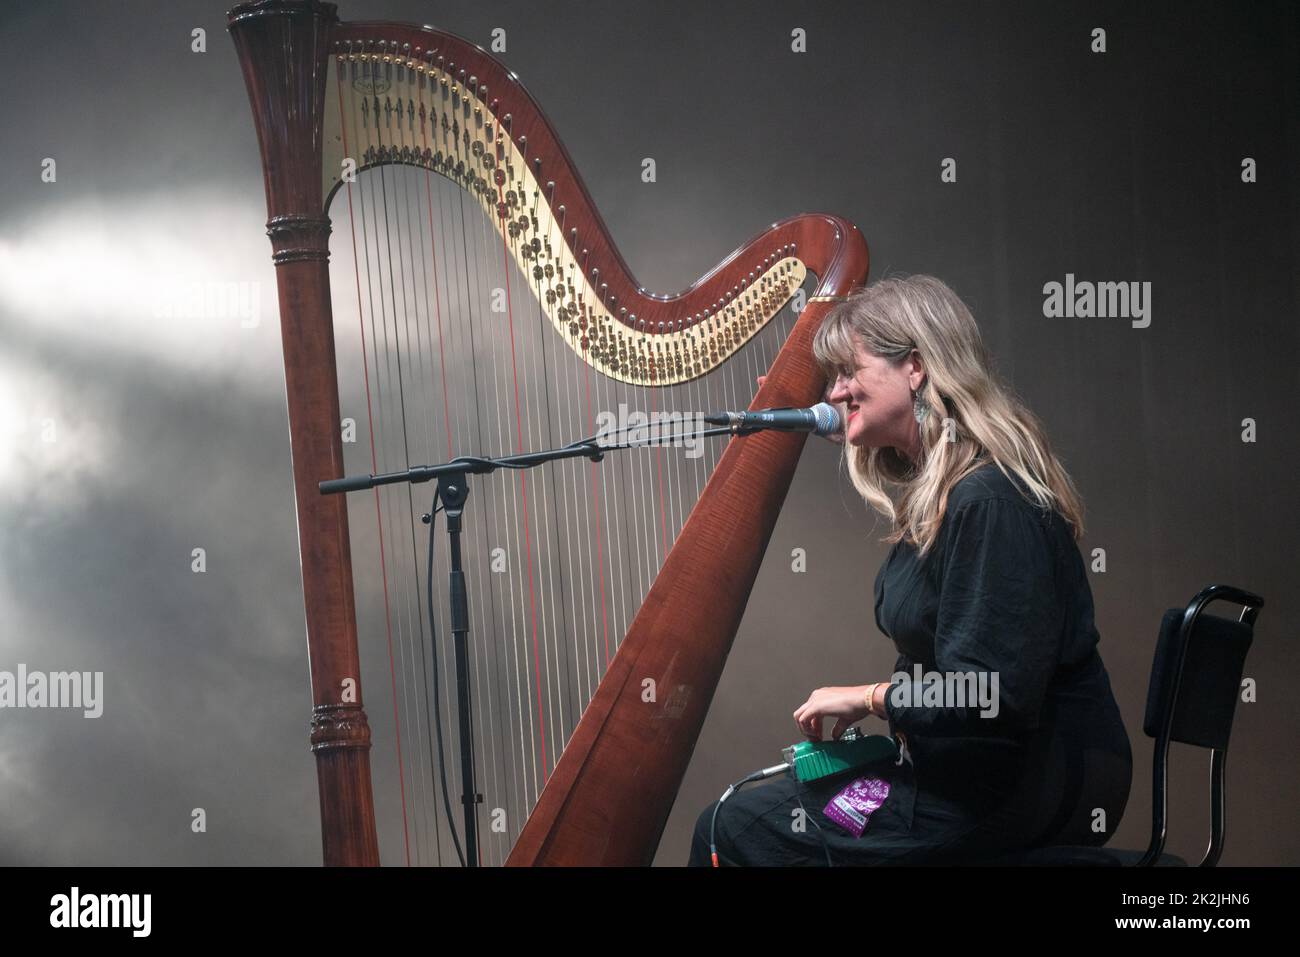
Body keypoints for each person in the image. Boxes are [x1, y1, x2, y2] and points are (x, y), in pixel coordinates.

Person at [687, 275, 1132, 866]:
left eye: (850, 371)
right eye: (832, 377)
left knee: (732, 827)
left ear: (916, 366)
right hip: (956, 776)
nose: (836, 391)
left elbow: (992, 692)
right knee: (758, 813)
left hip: (1019, 788)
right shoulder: (948, 499)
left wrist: (873, 697)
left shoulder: (989, 501)